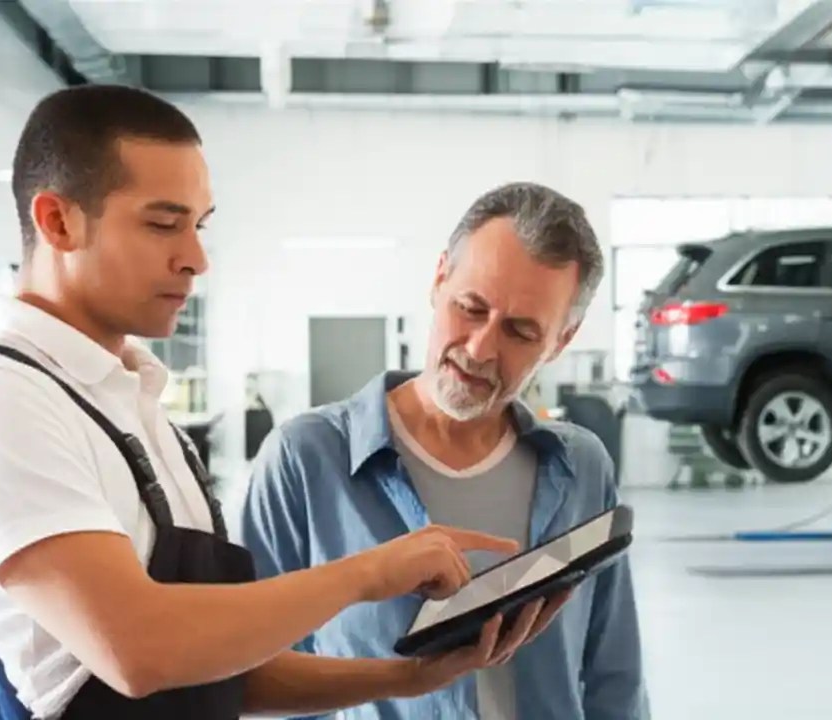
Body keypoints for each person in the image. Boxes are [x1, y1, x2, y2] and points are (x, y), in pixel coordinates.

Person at [0, 86, 558, 720]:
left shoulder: (132, 403)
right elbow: (138, 648)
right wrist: (367, 574)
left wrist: (407, 677)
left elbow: (217, 669)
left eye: (199, 226)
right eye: (163, 224)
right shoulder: (0, 401)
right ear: (58, 221)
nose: (195, 259)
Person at [240, 181, 649, 720]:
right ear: (439, 279)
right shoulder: (304, 459)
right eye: (470, 307)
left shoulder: (581, 467)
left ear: (562, 340)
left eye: (521, 331)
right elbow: (246, 669)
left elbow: (613, 674)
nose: (480, 348)